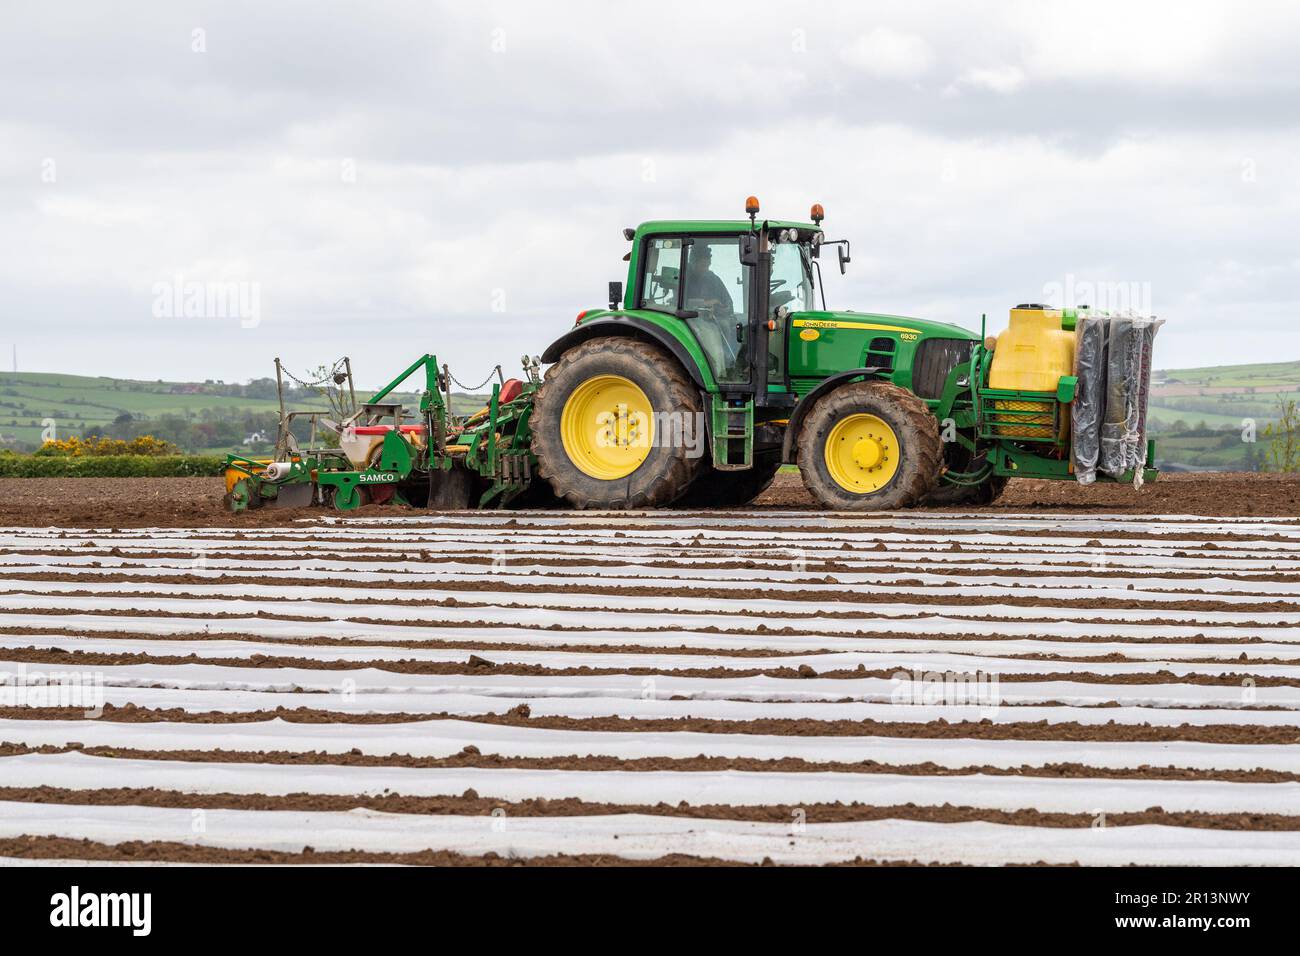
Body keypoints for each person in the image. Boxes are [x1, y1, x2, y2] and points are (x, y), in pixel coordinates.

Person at [684, 244, 734, 319]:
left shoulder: (713, 279)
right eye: (703, 265)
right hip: (690, 321)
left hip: (711, 321)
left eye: (708, 265)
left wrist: (717, 308)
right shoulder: (682, 278)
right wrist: (705, 304)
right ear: (693, 263)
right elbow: (679, 305)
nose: (706, 269)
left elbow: (728, 305)